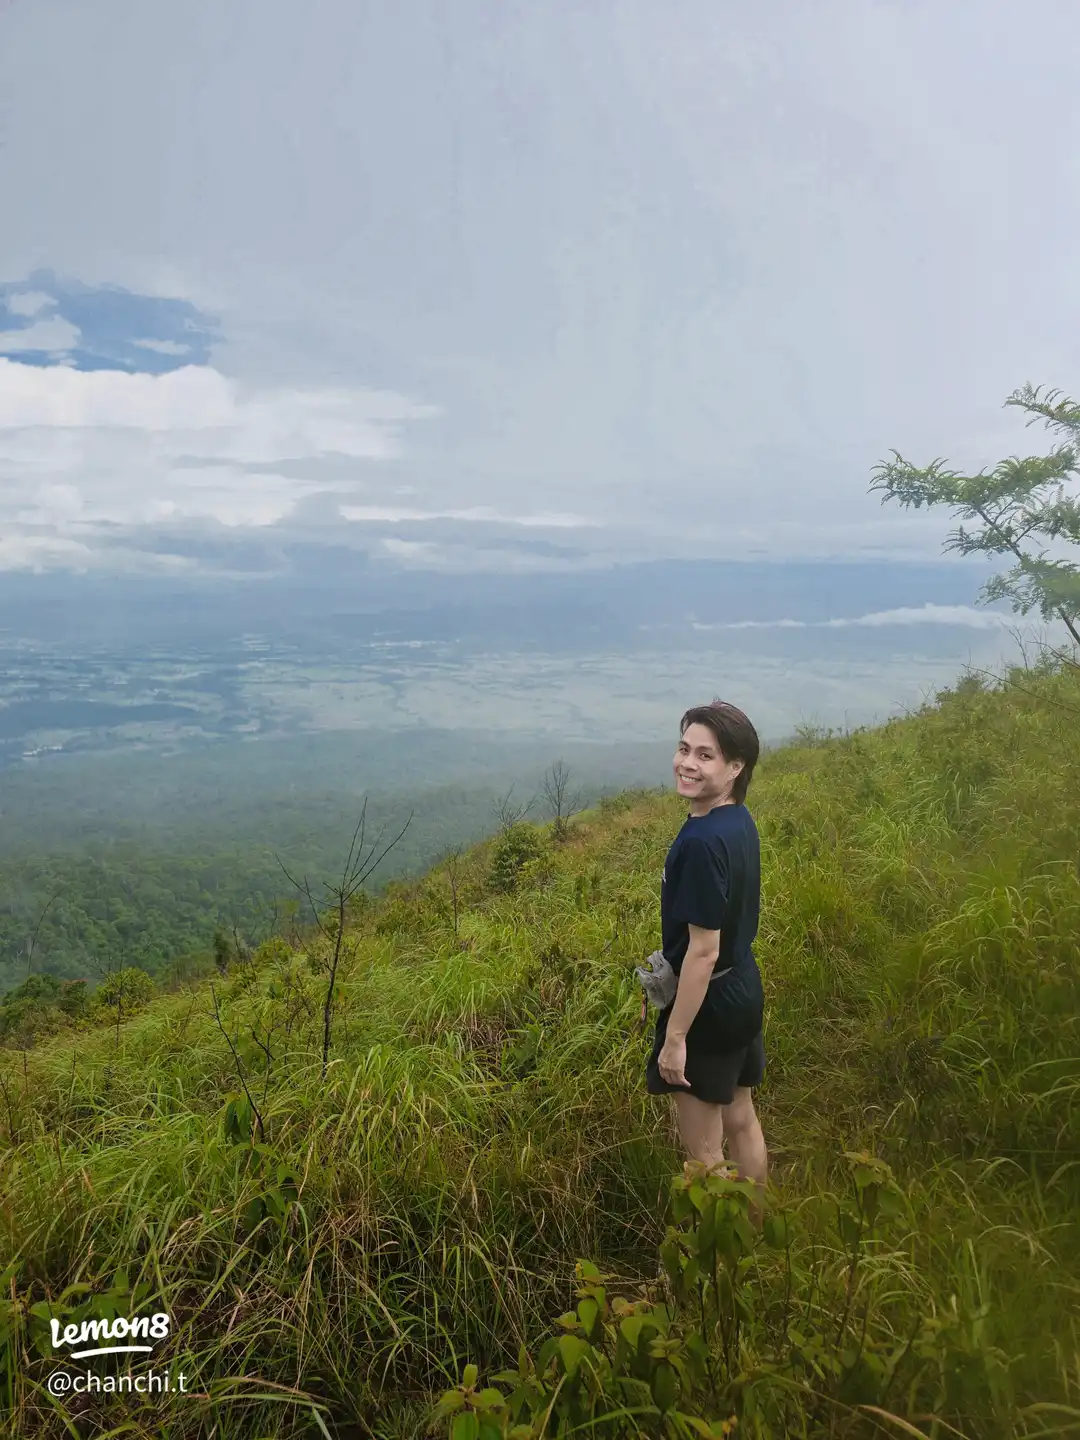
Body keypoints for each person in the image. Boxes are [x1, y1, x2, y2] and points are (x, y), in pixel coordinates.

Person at [644, 698, 767, 1208]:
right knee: (742, 1120)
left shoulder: (700, 842)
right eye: (684, 749)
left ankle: (724, 1249)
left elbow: (702, 952)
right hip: (742, 988)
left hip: (706, 1005)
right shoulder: (738, 821)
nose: (687, 763)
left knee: (703, 1154)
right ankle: (758, 1225)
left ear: (735, 767)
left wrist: (675, 1039)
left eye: (705, 755)